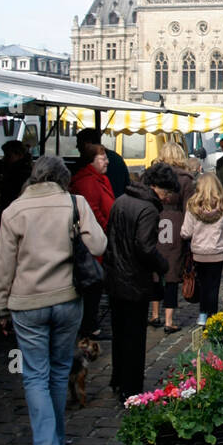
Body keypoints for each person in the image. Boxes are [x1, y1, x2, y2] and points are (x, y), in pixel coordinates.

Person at [0, 156, 107, 445]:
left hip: (26, 303)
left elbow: (3, 266)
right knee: (58, 370)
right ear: (62, 179)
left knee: (35, 375)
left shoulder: (14, 211)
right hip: (67, 297)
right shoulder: (74, 203)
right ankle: (57, 438)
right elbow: (99, 242)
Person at [103, 162, 177, 400]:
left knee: (120, 333)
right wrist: (162, 264)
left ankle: (118, 378)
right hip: (134, 279)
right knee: (135, 336)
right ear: (155, 186)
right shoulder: (148, 209)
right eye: (165, 193)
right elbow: (145, 247)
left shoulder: (122, 200)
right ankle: (132, 386)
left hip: (116, 276)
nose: (166, 199)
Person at [69, 144, 116, 339]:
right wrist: (106, 230)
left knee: (95, 283)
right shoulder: (87, 182)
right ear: (91, 161)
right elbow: (93, 214)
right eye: (102, 158)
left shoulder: (101, 179)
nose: (107, 161)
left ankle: (90, 322)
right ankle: (88, 325)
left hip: (101, 239)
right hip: (91, 243)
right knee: (91, 282)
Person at [149, 143, 196, 332]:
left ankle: (154, 314)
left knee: (154, 271)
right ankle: (169, 319)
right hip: (176, 225)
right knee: (172, 273)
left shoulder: (152, 175)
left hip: (154, 223)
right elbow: (189, 208)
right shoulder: (185, 179)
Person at [180, 173, 223, 325]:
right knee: (214, 285)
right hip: (217, 253)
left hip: (199, 253)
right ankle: (212, 315)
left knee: (203, 285)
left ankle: (202, 315)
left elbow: (186, 232)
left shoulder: (192, 206)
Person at [75, 128, 129, 198]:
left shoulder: (87, 162)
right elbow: (127, 184)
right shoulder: (117, 158)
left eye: (79, 143)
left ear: (87, 144)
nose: (77, 147)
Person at [0, 141, 32, 212]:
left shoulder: (21, 173)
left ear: (19, 155)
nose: (5, 158)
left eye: (8, 156)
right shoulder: (12, 169)